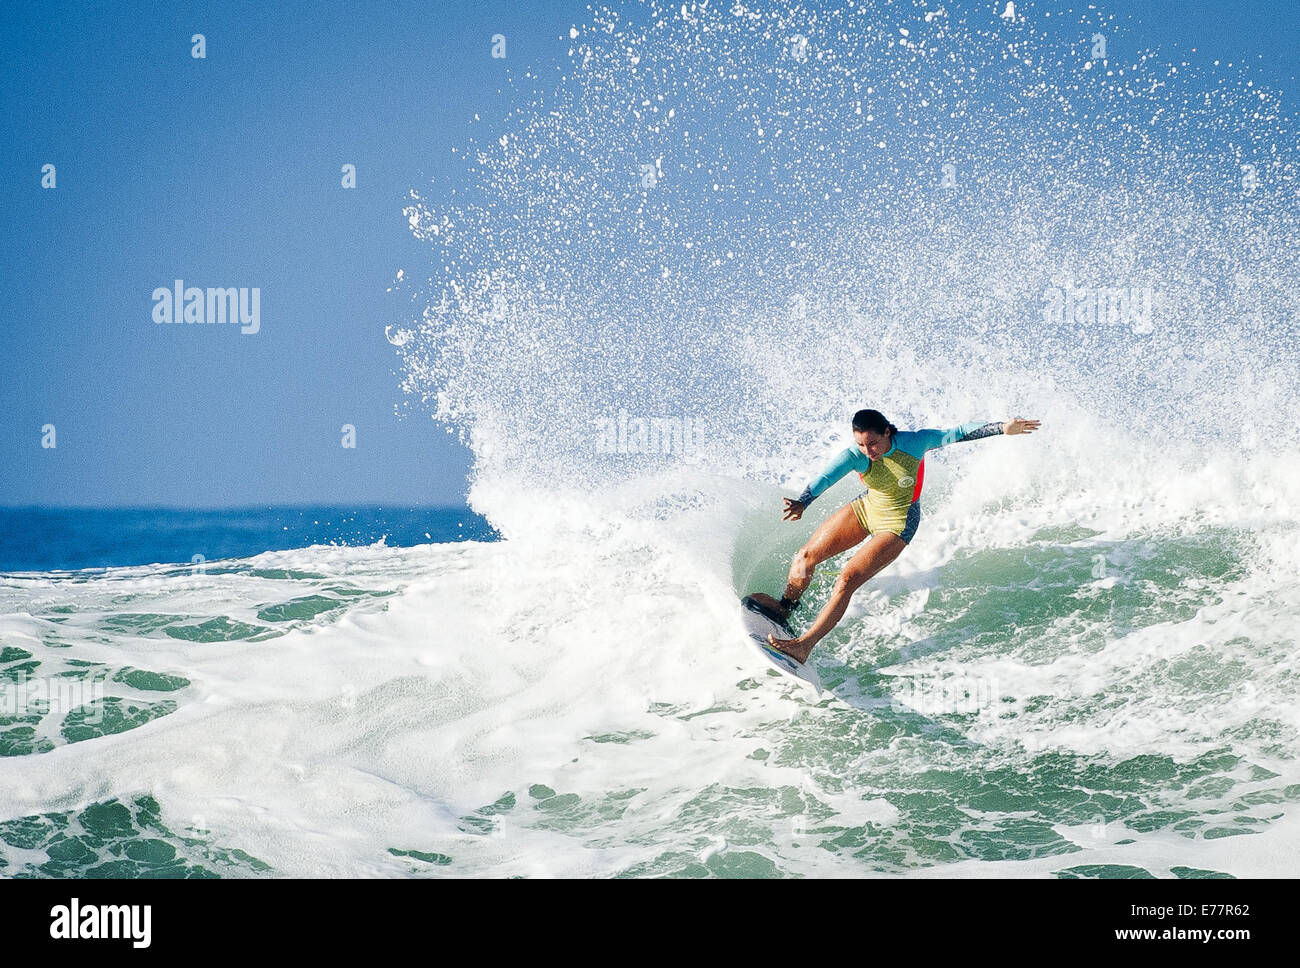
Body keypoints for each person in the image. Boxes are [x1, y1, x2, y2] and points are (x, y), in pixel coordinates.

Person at [746, 409, 1041, 663]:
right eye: (862, 445)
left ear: (887, 432)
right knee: (806, 557)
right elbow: (827, 477)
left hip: (898, 523)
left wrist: (1003, 428)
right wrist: (803, 501)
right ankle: (784, 609)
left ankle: (804, 645)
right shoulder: (856, 456)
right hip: (867, 507)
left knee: (847, 579)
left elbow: (958, 432)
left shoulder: (914, 443)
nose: (868, 451)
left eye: (873, 443)